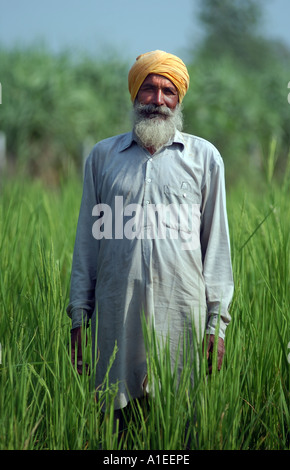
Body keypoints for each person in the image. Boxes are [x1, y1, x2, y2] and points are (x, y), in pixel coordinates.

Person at [67, 50, 234, 417]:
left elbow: (217, 248)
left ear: (179, 99)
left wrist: (216, 328)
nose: (158, 100)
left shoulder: (205, 159)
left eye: (168, 91)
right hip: (115, 321)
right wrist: (79, 317)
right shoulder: (102, 157)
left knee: (176, 424)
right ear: (134, 94)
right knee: (116, 423)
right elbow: (87, 245)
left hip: (180, 319)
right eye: (149, 89)